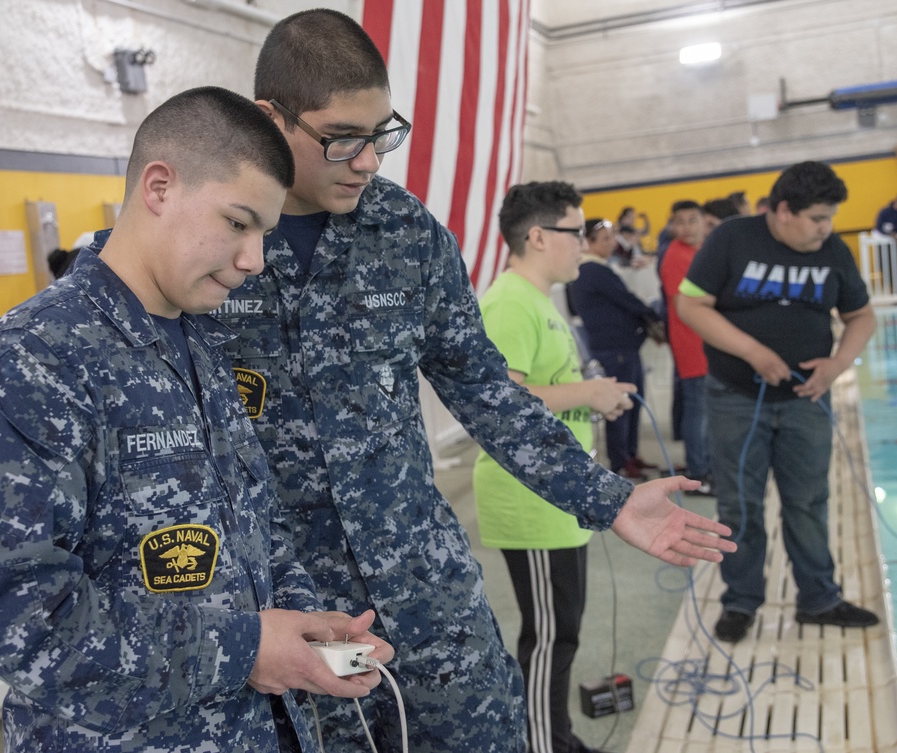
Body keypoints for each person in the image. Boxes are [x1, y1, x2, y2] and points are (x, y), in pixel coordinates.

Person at [216, 10, 734, 752]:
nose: (368, 161)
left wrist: (605, 496)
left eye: (381, 134)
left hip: (426, 590)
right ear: (269, 118)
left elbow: (488, 390)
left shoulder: (405, 232)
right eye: (342, 138)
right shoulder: (213, 244)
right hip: (293, 610)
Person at [0, 86, 393, 753]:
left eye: (263, 232)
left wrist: (302, 625)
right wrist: (243, 647)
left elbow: (257, 525)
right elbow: (14, 615)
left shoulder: (199, 342)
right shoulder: (30, 361)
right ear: (159, 186)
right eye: (238, 222)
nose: (253, 259)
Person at [677, 161, 879, 643]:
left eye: (829, 218)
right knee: (739, 505)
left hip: (806, 401)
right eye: (817, 218)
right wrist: (751, 351)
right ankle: (741, 601)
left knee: (808, 502)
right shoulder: (732, 238)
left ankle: (819, 599)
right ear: (783, 210)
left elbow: (862, 316)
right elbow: (690, 305)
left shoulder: (832, 250)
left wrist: (837, 365)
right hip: (735, 398)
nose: (826, 228)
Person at [474, 182, 637, 753]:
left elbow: (550, 388)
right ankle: (543, 744)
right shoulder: (509, 302)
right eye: (576, 230)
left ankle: (554, 735)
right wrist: (587, 393)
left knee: (561, 630)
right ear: (539, 236)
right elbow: (501, 400)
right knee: (549, 636)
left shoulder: (539, 300)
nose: (586, 244)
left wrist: (593, 393)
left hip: (558, 497)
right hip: (532, 499)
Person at [567, 217, 664, 482]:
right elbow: (626, 300)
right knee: (619, 407)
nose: (612, 244)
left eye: (612, 238)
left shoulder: (600, 268)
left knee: (631, 403)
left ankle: (630, 454)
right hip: (613, 348)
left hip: (623, 346)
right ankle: (620, 460)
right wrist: (653, 316)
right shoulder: (591, 270)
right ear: (588, 242)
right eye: (606, 239)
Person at [658, 201, 712, 493]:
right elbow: (684, 306)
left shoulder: (698, 252)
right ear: (671, 225)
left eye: (693, 220)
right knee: (697, 409)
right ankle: (699, 471)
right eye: (680, 222)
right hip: (692, 342)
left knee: (704, 408)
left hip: (706, 340)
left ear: (704, 222)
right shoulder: (676, 256)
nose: (687, 227)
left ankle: (705, 464)